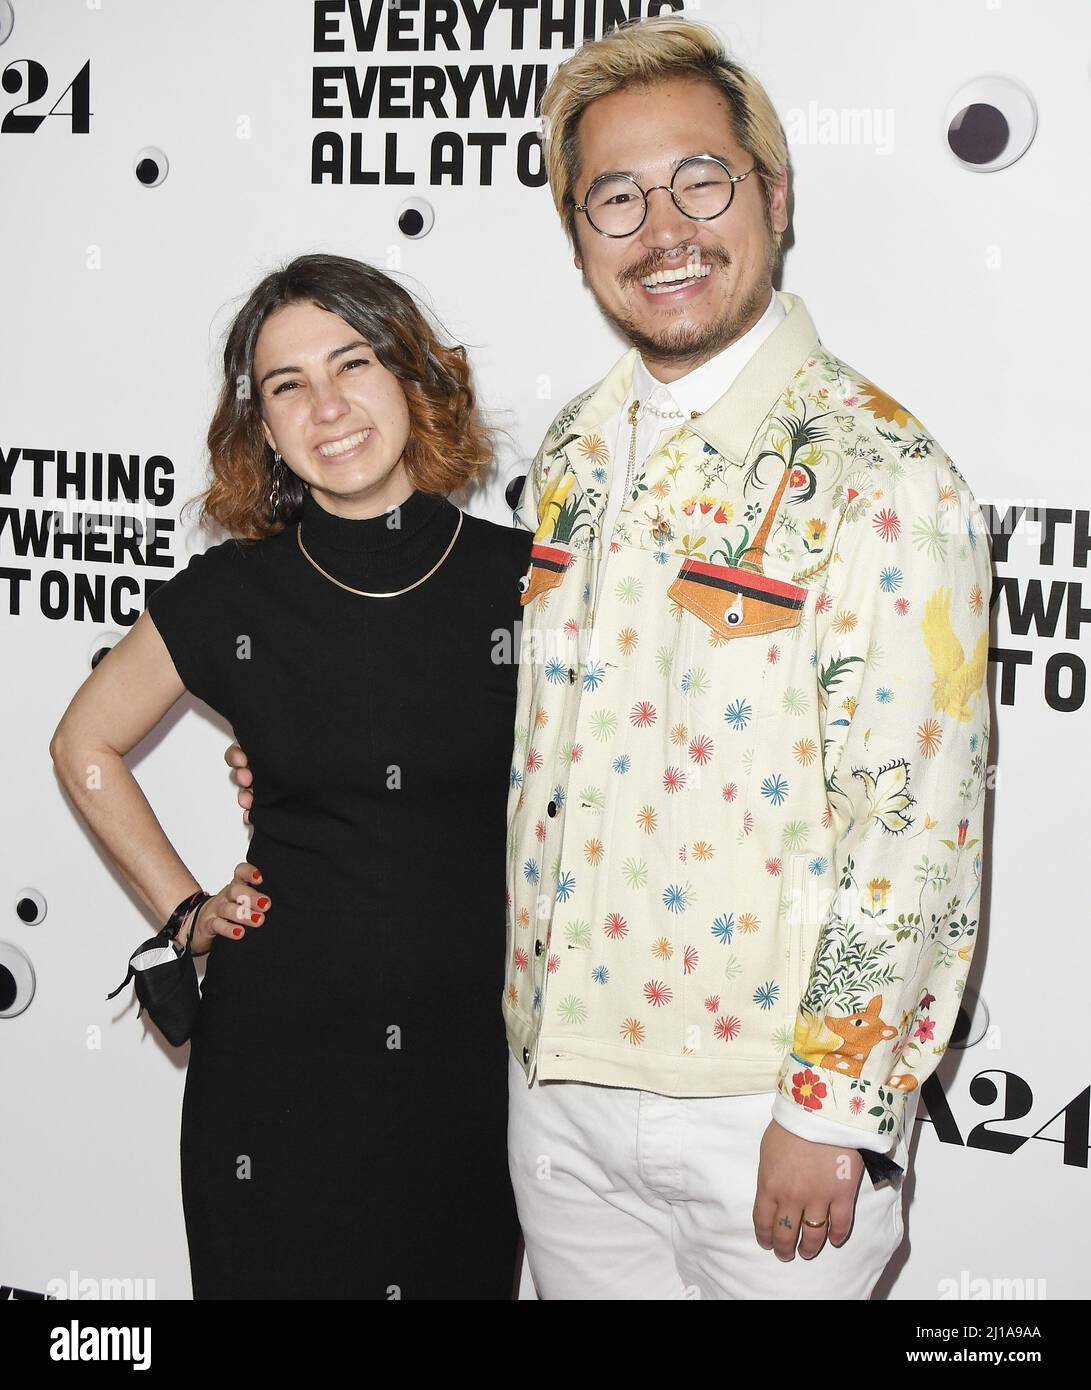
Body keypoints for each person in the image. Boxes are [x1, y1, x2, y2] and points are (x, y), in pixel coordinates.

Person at [226, 17, 993, 1300]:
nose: (663, 229)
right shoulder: (577, 449)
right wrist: (322, 745)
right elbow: (541, 725)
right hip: (556, 1080)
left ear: (773, 196)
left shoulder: (882, 471)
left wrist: (835, 1101)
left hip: (761, 1104)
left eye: (700, 180)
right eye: (615, 199)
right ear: (579, 237)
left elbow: (914, 823)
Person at [49, 253, 530, 1299]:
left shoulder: (522, 585)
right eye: (285, 385)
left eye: (352, 362)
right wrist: (184, 912)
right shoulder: (233, 596)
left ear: (411, 377)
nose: (327, 405)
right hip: (276, 1062)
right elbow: (83, 744)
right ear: (262, 428)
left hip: (468, 1067)